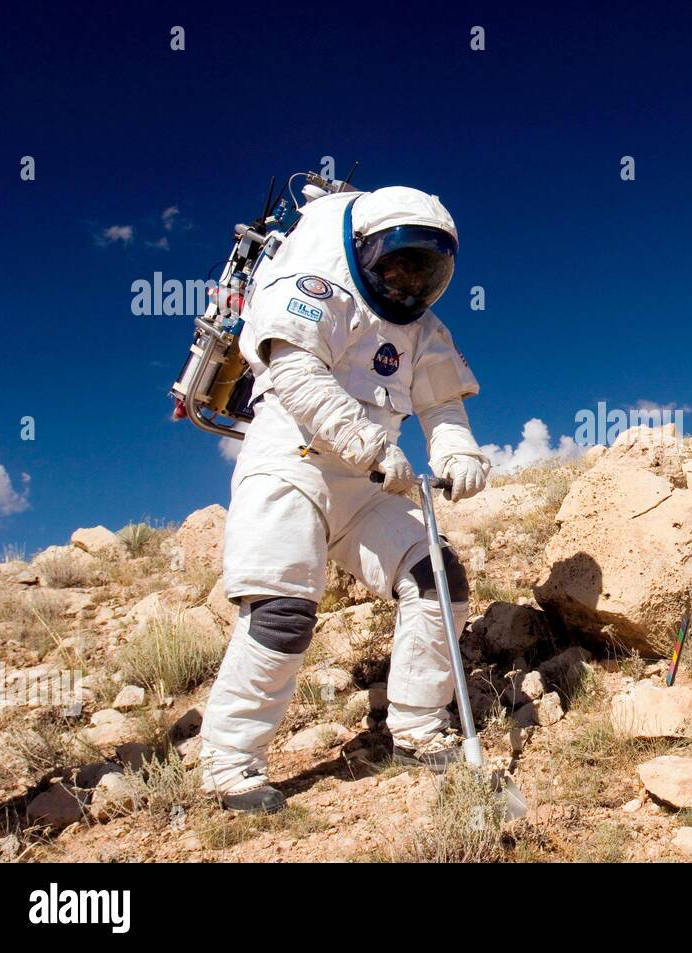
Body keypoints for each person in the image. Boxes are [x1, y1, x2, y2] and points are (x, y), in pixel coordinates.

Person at [198, 186, 490, 813]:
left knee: (437, 576)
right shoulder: (312, 292)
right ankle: (231, 766)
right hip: (290, 467)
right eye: (399, 265)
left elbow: (441, 404)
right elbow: (294, 371)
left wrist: (459, 453)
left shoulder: (423, 330)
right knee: (281, 614)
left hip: (368, 483)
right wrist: (367, 442)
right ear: (364, 252)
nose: (409, 282)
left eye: (426, 271)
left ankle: (416, 726)